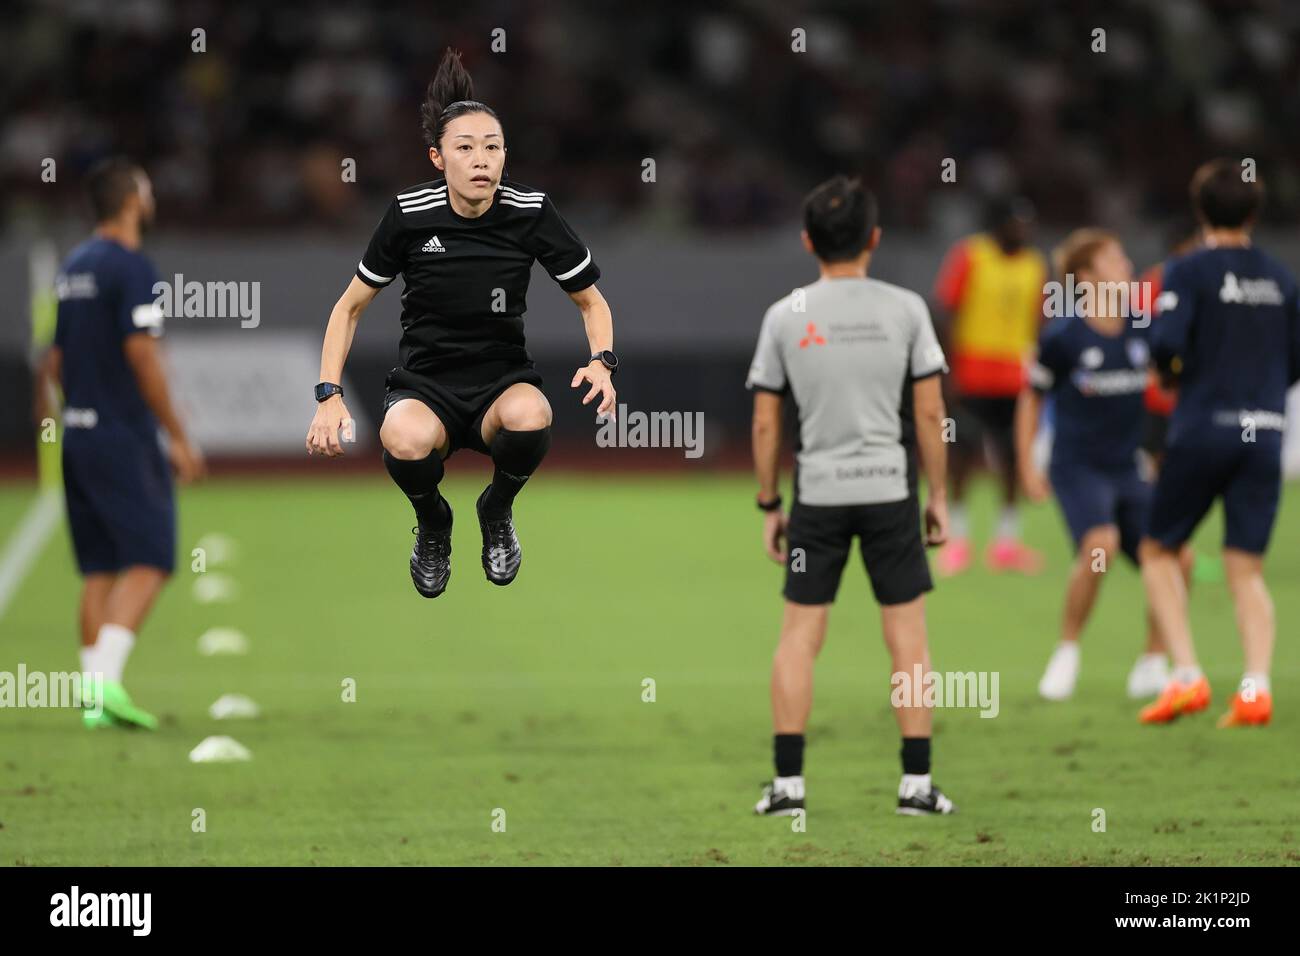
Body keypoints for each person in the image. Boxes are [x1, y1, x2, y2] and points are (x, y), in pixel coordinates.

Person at [305, 49, 617, 597]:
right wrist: (328, 394)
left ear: (504, 157)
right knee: (400, 436)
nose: (481, 160)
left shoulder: (531, 212)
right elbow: (348, 307)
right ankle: (433, 522)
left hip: (501, 380)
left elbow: (591, 301)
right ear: (437, 157)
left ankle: (496, 509)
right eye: (466, 148)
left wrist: (602, 362)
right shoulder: (408, 215)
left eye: (492, 148)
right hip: (427, 383)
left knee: (532, 413)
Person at [748, 175, 956, 817]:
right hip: (890, 493)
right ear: (874, 238)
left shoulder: (786, 314)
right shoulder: (905, 309)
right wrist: (939, 496)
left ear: (809, 241)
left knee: (800, 637)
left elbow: (764, 423)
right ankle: (916, 786)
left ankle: (788, 788)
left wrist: (769, 503)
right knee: (908, 638)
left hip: (819, 497)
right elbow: (929, 416)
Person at [34, 157, 206, 729]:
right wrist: (177, 435)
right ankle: (104, 684)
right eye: (148, 190)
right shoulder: (132, 267)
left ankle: (92, 701)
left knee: (100, 568)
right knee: (152, 558)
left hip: (79, 435)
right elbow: (143, 355)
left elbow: (54, 362)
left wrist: (72, 409)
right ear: (132, 201)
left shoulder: (74, 265)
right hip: (122, 435)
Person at [1139, 159, 1300, 727]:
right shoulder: (1281, 277)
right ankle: (1256, 686)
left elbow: (1165, 345)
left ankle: (1186, 675)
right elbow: (1295, 359)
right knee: (1246, 568)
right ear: (1256, 211)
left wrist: (1175, 373)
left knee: (1157, 549)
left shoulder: (1188, 270)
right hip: (1266, 431)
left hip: (1205, 425)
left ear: (1199, 209)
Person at [1016, 229, 1190, 702]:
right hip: (1077, 468)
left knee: (1181, 558)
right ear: (1088, 276)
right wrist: (1027, 465)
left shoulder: (1142, 327)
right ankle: (1067, 652)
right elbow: (1030, 399)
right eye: (1115, 259)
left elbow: (1169, 381)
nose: (1127, 265)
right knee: (1101, 546)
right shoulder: (1064, 337)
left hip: (1127, 469)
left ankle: (1152, 661)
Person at [933, 197, 1047, 575]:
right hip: (972, 374)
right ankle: (957, 539)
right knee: (962, 454)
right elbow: (948, 309)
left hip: (1016, 377)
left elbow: (1039, 320)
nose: (1023, 232)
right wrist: (947, 366)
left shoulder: (1035, 265)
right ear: (997, 225)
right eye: (1016, 224)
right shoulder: (970, 255)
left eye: (1027, 225)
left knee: (1014, 458)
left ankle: (1006, 543)